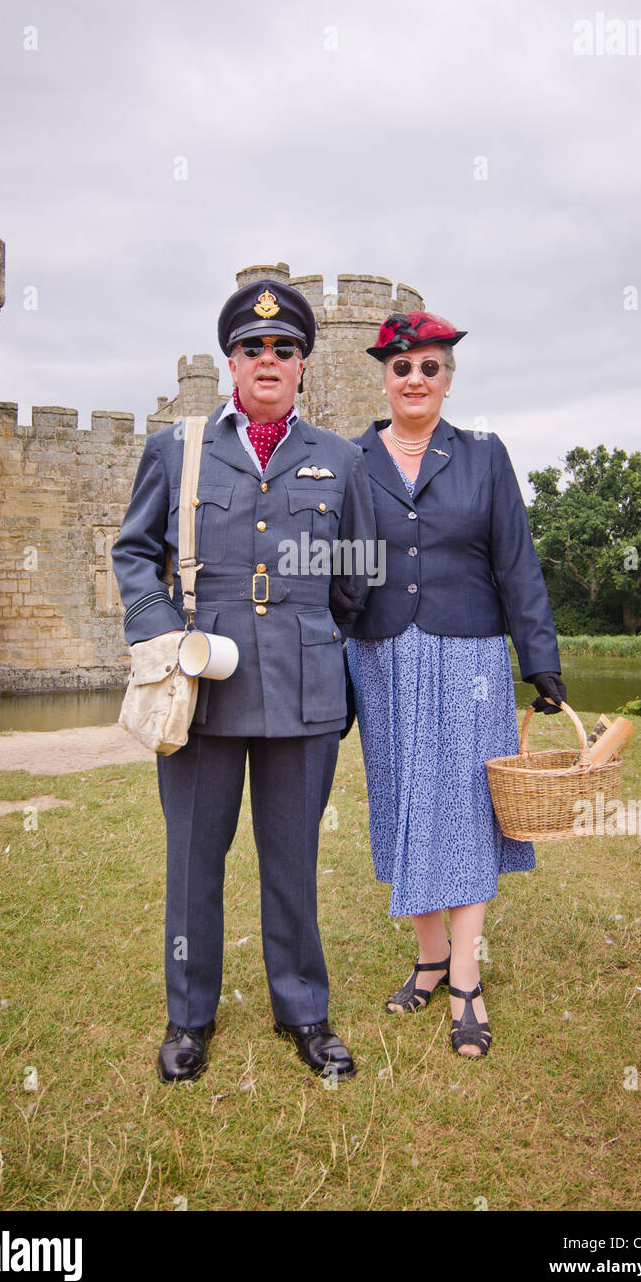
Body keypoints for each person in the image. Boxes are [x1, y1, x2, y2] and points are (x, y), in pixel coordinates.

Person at [112, 279, 376, 1083]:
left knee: (291, 858)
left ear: (302, 367)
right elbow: (134, 553)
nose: (268, 360)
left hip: (303, 689)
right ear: (231, 360)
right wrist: (165, 631)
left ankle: (303, 1011)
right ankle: (189, 1017)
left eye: (284, 350)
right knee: (194, 857)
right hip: (203, 685)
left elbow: (357, 570)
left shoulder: (339, 457)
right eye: (252, 348)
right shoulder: (177, 448)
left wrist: (315, 627)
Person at [346, 311, 566, 1058]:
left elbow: (516, 564)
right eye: (402, 367)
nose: (415, 379)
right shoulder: (349, 461)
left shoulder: (482, 455)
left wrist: (541, 662)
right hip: (379, 655)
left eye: (429, 367)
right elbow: (332, 561)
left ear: (448, 378)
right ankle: (429, 957)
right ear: (384, 376)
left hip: (469, 656)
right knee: (408, 799)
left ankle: (466, 978)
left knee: (466, 809)